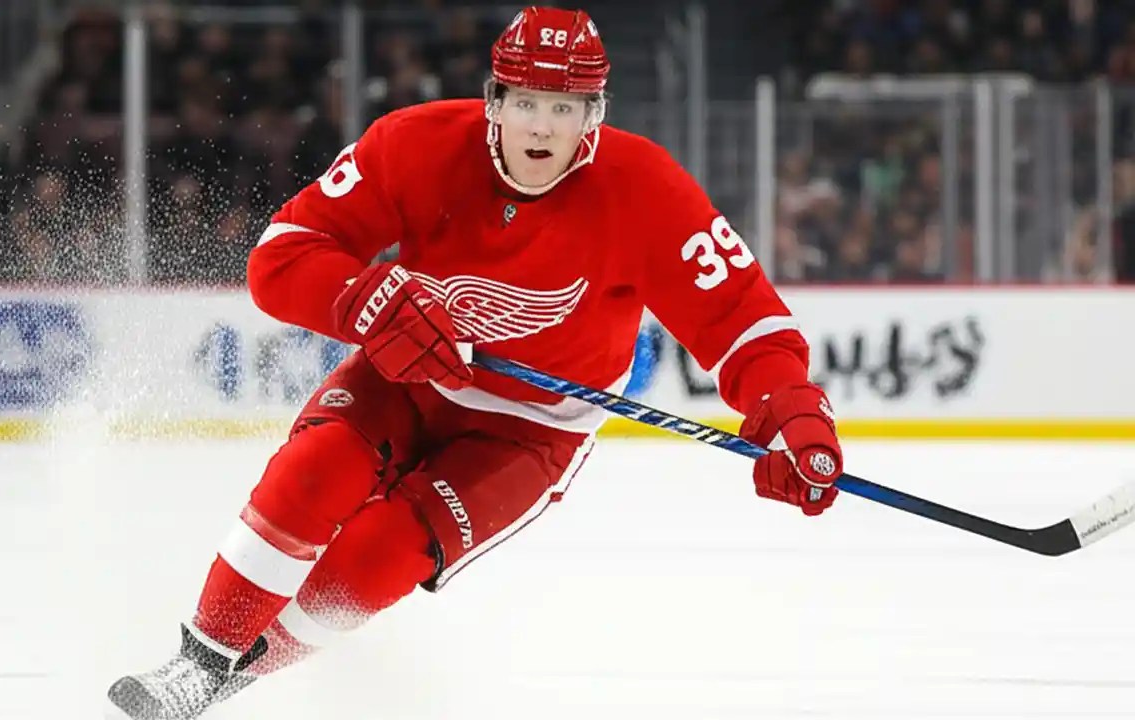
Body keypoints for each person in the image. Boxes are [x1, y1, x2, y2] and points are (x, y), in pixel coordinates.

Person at [107, 7, 845, 719]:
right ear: (494, 99)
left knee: (379, 556)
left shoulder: (646, 188)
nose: (541, 127)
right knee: (315, 474)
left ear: (596, 112)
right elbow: (281, 257)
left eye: (565, 107)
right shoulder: (415, 145)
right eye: (525, 101)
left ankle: (230, 681)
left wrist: (794, 417)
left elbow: (742, 319)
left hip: (532, 429)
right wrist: (366, 301)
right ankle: (197, 662)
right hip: (408, 372)